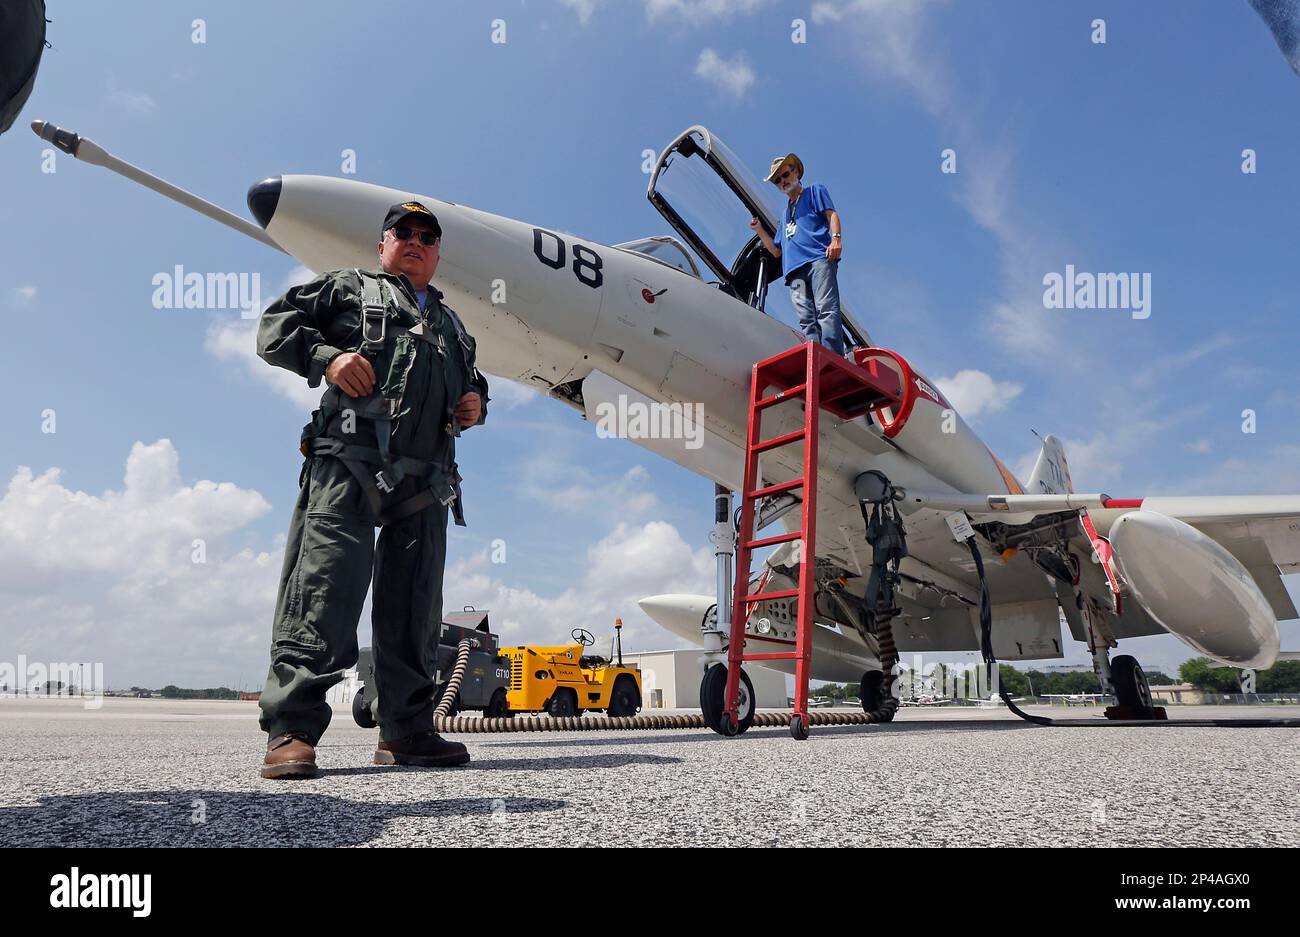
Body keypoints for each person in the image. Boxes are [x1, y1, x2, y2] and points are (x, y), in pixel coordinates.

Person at [255, 200, 489, 779]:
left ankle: (407, 732)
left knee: (415, 609)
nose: (415, 241)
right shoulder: (347, 289)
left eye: (427, 237)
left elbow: (473, 385)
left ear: (436, 254)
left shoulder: (455, 328)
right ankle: (292, 728)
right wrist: (327, 358)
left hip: (425, 482)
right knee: (324, 588)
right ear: (381, 246)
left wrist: (476, 404)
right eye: (402, 233)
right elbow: (274, 328)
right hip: (350, 465)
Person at [749, 153, 845, 354]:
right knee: (807, 320)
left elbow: (832, 214)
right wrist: (759, 230)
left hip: (818, 261)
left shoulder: (814, 191)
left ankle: (834, 358)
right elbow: (776, 252)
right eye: (778, 180)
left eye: (785, 175)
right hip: (794, 272)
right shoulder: (784, 216)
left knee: (826, 310)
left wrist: (836, 238)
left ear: (797, 172)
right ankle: (817, 360)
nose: (782, 181)